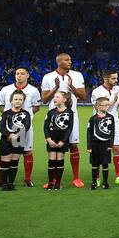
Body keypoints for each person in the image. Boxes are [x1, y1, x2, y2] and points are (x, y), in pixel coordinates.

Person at [40, 53, 88, 188]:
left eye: (70, 60)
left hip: (71, 115)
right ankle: (53, 180)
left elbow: (83, 96)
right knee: (53, 147)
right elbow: (44, 99)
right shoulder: (48, 77)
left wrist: (71, 86)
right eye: (67, 60)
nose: (70, 62)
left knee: (73, 145)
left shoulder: (77, 75)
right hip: (53, 117)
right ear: (59, 62)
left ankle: (76, 177)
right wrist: (55, 87)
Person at [90, 70, 119, 186]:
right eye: (113, 78)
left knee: (117, 148)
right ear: (105, 79)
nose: (116, 80)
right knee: (98, 151)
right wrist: (114, 100)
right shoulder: (97, 91)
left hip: (114, 122)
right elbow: (99, 108)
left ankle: (118, 177)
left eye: (116, 78)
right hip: (99, 123)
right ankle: (97, 178)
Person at [0, 91, 32, 192]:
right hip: (6, 140)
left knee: (14, 162)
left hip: (19, 140)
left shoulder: (26, 114)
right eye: (15, 99)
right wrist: (9, 135)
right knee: (5, 161)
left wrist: (17, 135)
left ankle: (11, 183)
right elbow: (1, 126)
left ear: (23, 101)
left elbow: (27, 126)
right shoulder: (6, 114)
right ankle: (4, 184)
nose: (17, 101)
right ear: (11, 100)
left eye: (20, 99)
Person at [43, 91, 74, 189]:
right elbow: (46, 127)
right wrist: (48, 139)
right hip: (52, 139)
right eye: (54, 97)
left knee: (59, 159)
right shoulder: (51, 112)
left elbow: (69, 128)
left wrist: (63, 141)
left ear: (64, 99)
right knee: (52, 159)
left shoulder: (69, 112)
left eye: (57, 97)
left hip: (62, 140)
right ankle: (50, 182)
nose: (55, 99)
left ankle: (58, 183)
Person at [86, 97, 117, 190]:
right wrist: (89, 146)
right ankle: (94, 182)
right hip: (95, 145)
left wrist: (111, 145)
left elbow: (112, 132)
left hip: (106, 145)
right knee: (94, 164)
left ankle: (105, 182)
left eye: (108, 105)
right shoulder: (92, 119)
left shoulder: (110, 117)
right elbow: (89, 133)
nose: (107, 106)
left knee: (105, 164)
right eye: (105, 105)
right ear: (98, 106)